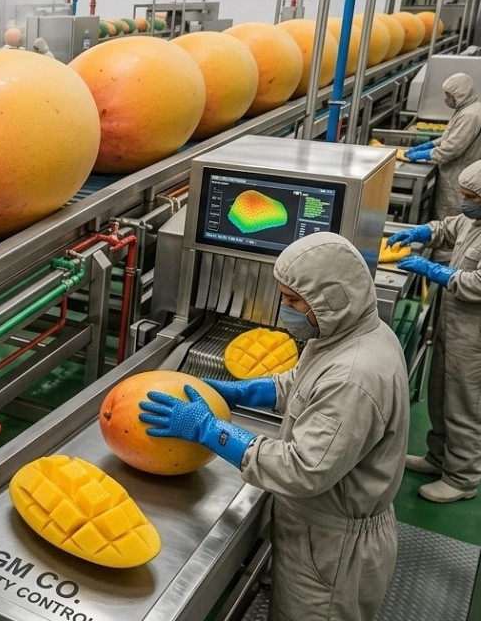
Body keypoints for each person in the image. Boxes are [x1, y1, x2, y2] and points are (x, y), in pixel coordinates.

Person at [139, 232, 408, 621]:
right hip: (313, 527)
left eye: (294, 301)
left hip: (332, 551)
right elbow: (303, 382)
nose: (286, 308)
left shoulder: (356, 376)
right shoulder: (348, 334)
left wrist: (209, 429)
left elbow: (302, 469)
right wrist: (244, 392)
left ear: (332, 300)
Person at [388, 158, 481, 503]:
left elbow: (477, 283)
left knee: (463, 405)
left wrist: (434, 271)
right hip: (453, 323)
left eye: (471, 196)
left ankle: (462, 478)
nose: (464, 201)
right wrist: (421, 232)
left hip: (474, 336)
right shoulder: (475, 220)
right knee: (441, 392)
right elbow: (450, 226)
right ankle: (438, 457)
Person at [404, 73, 481, 222]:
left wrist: (426, 154)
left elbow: (451, 149)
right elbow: (453, 135)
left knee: (450, 215)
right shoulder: (469, 108)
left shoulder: (470, 115)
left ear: (460, 94)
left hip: (457, 175)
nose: (447, 99)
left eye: (449, 95)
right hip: (456, 171)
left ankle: (447, 245)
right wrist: (432, 144)